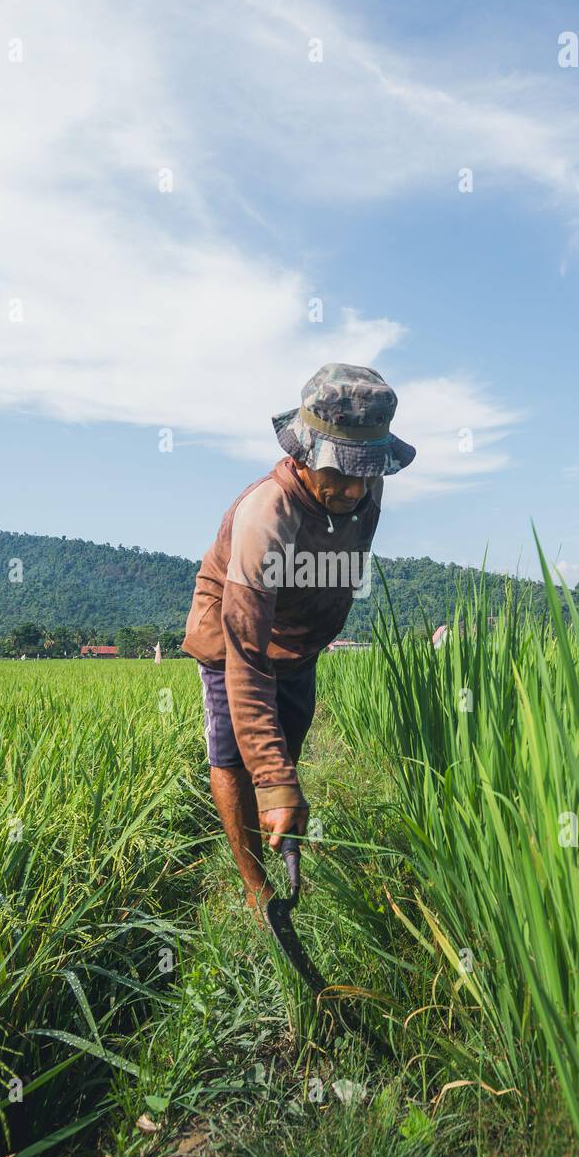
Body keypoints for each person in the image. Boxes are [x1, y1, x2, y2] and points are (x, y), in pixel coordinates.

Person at [182, 363, 415, 919]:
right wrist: (273, 781)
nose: (355, 488)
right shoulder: (267, 513)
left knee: (287, 748)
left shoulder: (363, 488)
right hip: (236, 640)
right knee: (239, 759)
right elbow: (246, 655)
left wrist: (281, 775)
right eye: (342, 471)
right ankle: (255, 888)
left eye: (367, 470)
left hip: (301, 642)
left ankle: (281, 828)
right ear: (304, 452)